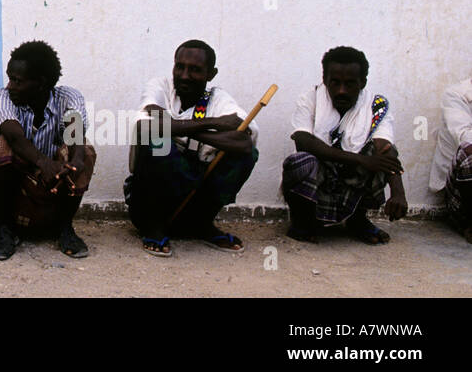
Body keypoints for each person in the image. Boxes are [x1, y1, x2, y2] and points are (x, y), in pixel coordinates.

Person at [125, 39, 257, 257]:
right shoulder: (161, 88)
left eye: (195, 70)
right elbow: (148, 126)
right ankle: (153, 227)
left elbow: (244, 143)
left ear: (211, 74)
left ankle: (202, 224)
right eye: (180, 67)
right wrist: (214, 124)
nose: (184, 75)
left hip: (196, 194)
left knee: (246, 155)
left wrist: (178, 128)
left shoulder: (218, 99)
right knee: (156, 141)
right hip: (151, 202)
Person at [0, 40, 95, 260]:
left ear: (40, 83)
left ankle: (64, 228)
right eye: (10, 78)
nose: (10, 86)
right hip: (15, 193)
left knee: (84, 151)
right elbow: (15, 137)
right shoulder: (3, 98)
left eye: (18, 81)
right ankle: (3, 229)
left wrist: (75, 161)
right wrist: (43, 163)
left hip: (53, 188)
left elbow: (75, 131)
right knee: (3, 146)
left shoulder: (68, 97)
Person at [283, 46, 407, 244]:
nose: (342, 90)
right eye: (335, 83)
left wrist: (398, 193)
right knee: (300, 162)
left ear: (362, 83)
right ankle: (302, 222)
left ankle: (357, 221)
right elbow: (302, 141)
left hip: (353, 179)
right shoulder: (311, 98)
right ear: (325, 80)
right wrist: (360, 159)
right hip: (322, 176)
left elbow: (386, 149)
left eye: (350, 84)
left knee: (379, 153)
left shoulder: (376, 105)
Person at [429, 76, 472, 243]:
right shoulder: (456, 95)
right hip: (461, 196)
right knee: (470, 154)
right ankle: (469, 224)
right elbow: (465, 137)